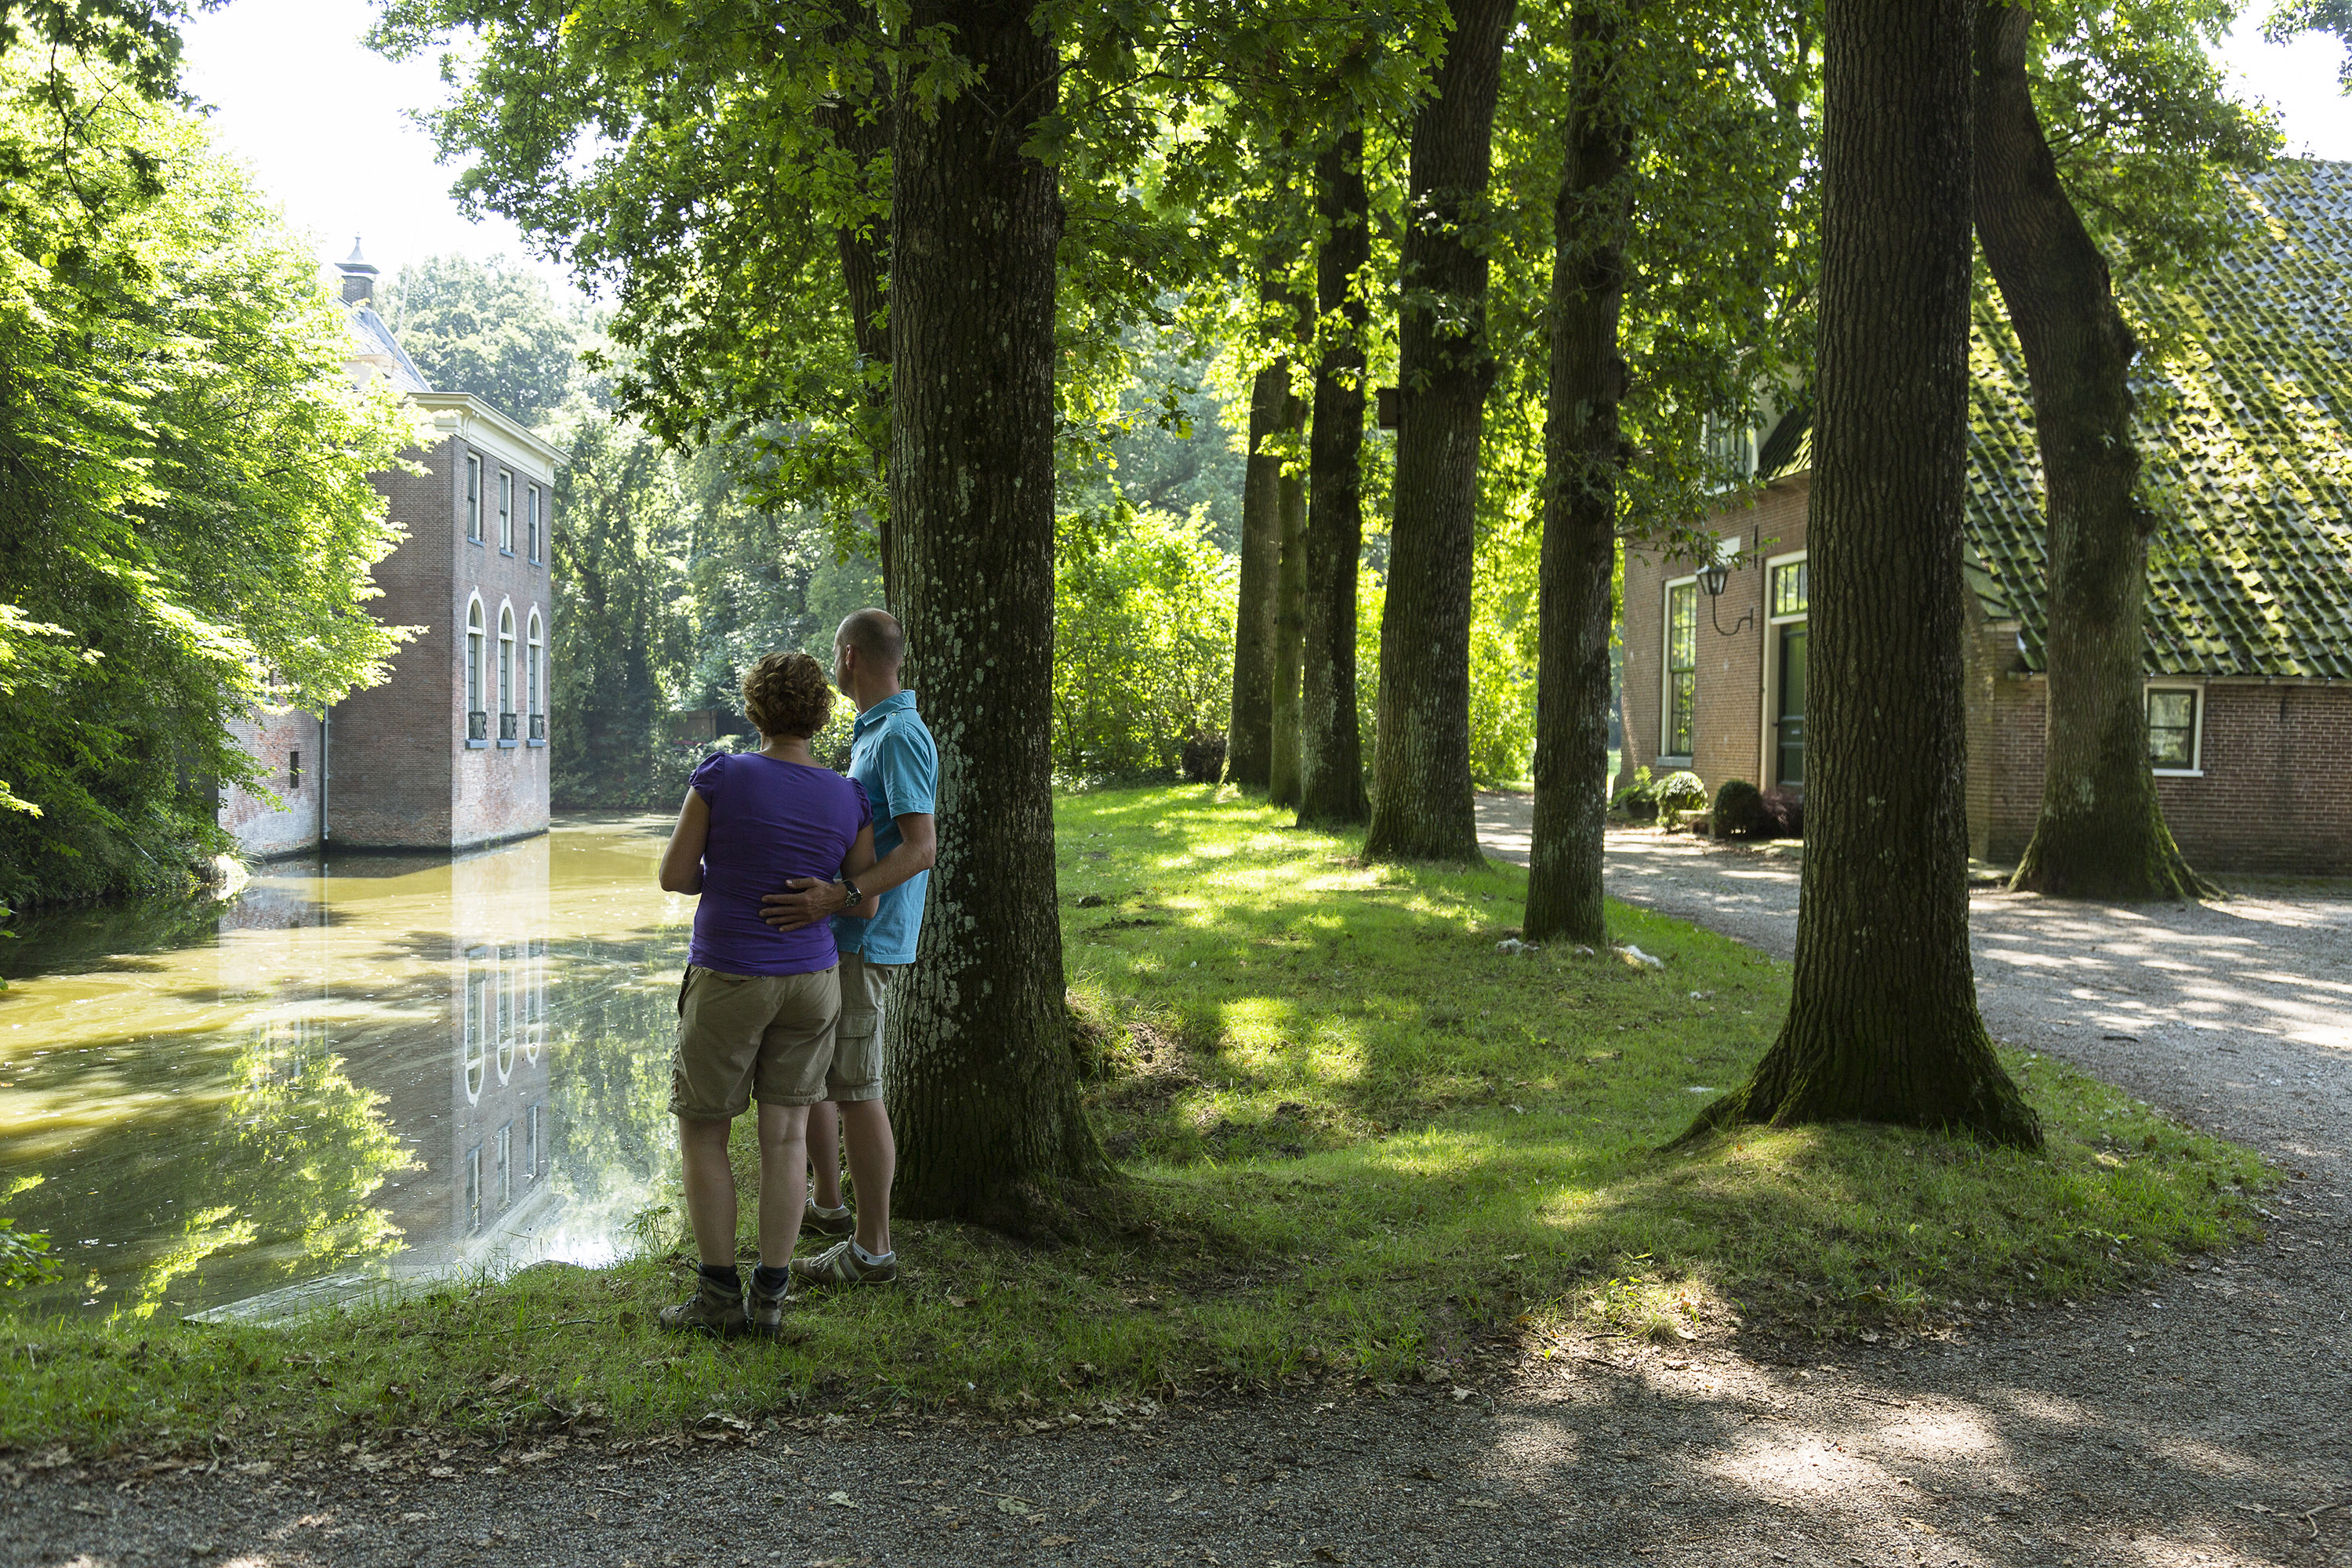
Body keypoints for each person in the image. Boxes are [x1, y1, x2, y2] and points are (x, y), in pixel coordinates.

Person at [655, 651, 876, 1336]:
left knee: (705, 1131)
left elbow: (674, 874)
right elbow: (860, 903)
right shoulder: (848, 795)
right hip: (812, 984)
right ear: (820, 713)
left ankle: (718, 1299)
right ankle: (772, 1301)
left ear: (755, 707)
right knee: (786, 1139)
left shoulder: (723, 776)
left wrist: (727, 878)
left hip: (730, 976)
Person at [760, 608, 935, 1287]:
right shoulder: (876, 734)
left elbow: (921, 847)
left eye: (835, 656)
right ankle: (843, 1221)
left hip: (869, 937)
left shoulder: (896, 736)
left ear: (849, 657)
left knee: (860, 1091)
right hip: (853, 934)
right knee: (846, 1082)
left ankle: (873, 1252)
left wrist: (842, 895)